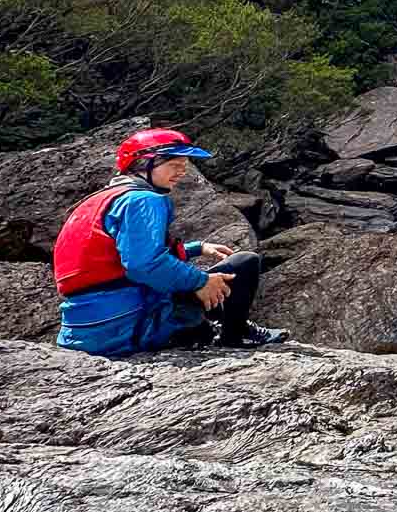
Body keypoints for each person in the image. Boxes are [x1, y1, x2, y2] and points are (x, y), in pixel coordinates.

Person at [54, 127, 288, 356]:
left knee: (191, 279)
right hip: (127, 329)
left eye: (184, 166)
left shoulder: (97, 201)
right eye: (174, 165)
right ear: (144, 164)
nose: (182, 172)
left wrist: (198, 248)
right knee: (244, 263)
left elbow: (120, 258)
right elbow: (143, 265)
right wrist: (201, 281)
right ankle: (234, 335)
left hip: (83, 332)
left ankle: (214, 327)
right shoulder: (145, 200)